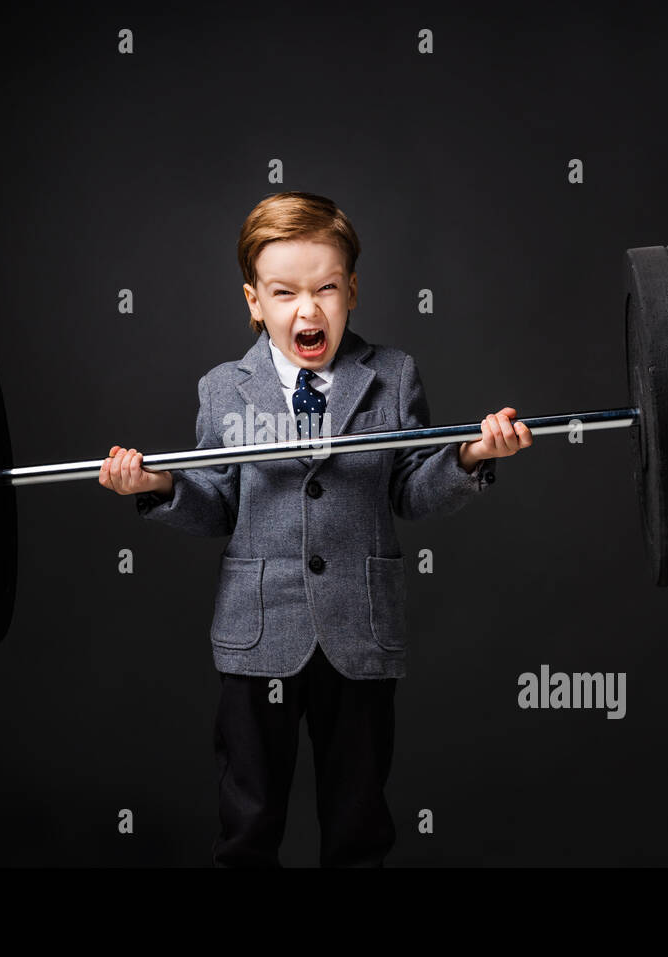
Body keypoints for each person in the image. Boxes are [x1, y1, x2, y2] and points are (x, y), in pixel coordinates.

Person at [98, 191, 531, 866]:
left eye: (326, 288)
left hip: (359, 630)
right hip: (257, 632)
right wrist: (159, 485)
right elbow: (216, 504)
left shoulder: (392, 376)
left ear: (352, 289)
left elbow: (411, 492)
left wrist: (470, 456)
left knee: (358, 821)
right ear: (253, 301)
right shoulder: (222, 388)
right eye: (284, 292)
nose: (308, 309)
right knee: (248, 820)